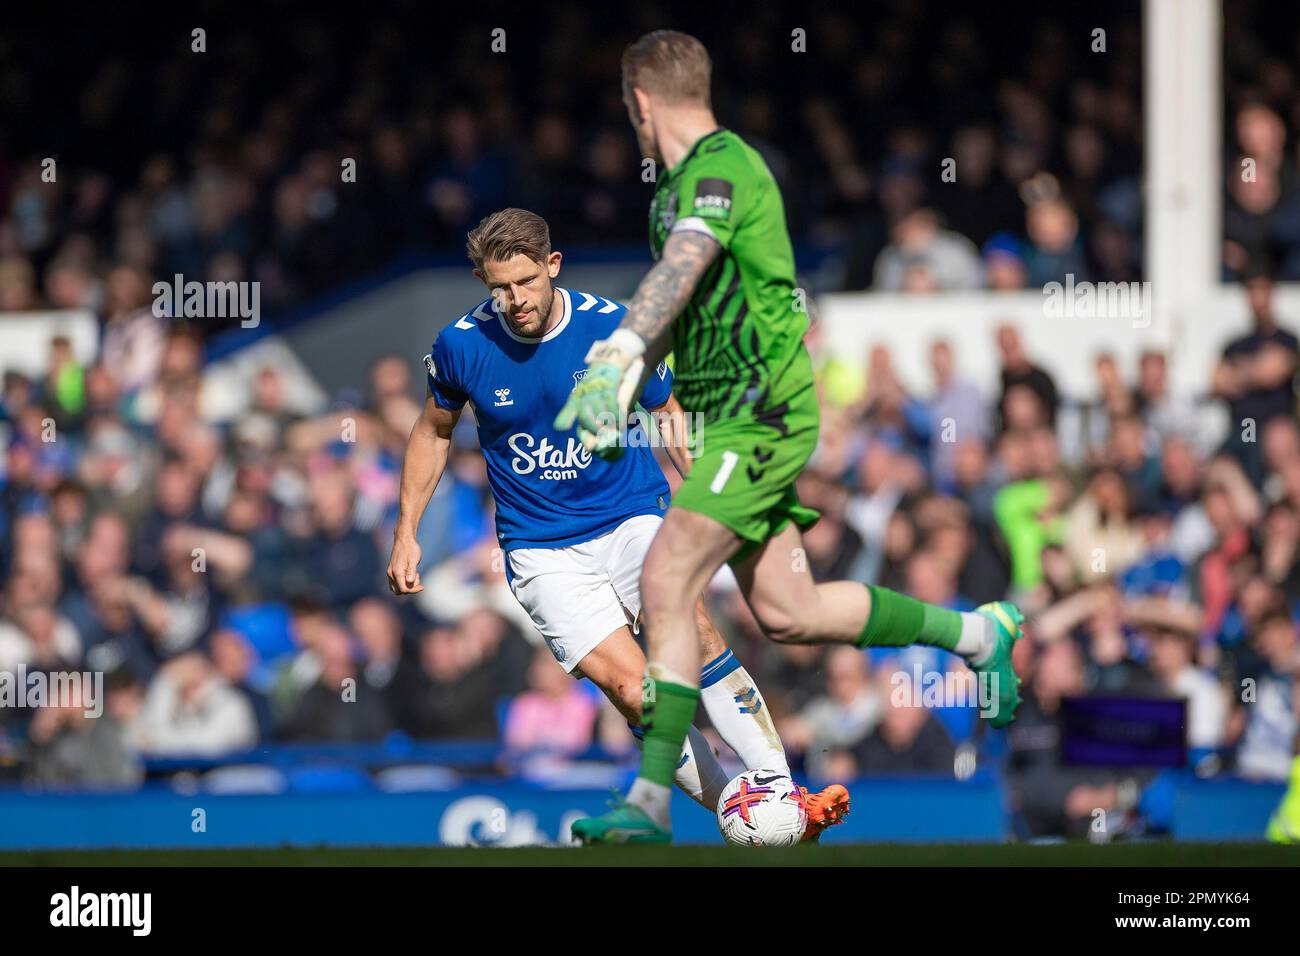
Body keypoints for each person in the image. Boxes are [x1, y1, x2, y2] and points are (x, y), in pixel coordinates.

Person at [555, 30, 1025, 844]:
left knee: (667, 572)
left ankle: (650, 803)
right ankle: (982, 632)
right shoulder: (670, 192)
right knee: (789, 610)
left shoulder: (721, 167)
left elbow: (689, 262)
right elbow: (687, 307)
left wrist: (622, 348)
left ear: (640, 101)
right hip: (724, 419)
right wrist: (627, 387)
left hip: (762, 411)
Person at [386, 207, 844, 834]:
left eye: (526, 282)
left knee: (689, 630)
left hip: (632, 514)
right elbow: (433, 431)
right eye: (499, 288)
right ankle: (748, 810)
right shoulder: (462, 344)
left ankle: (780, 789)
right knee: (637, 696)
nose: (515, 300)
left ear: (553, 266)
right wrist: (407, 529)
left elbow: (670, 414)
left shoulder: (616, 331)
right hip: (540, 550)